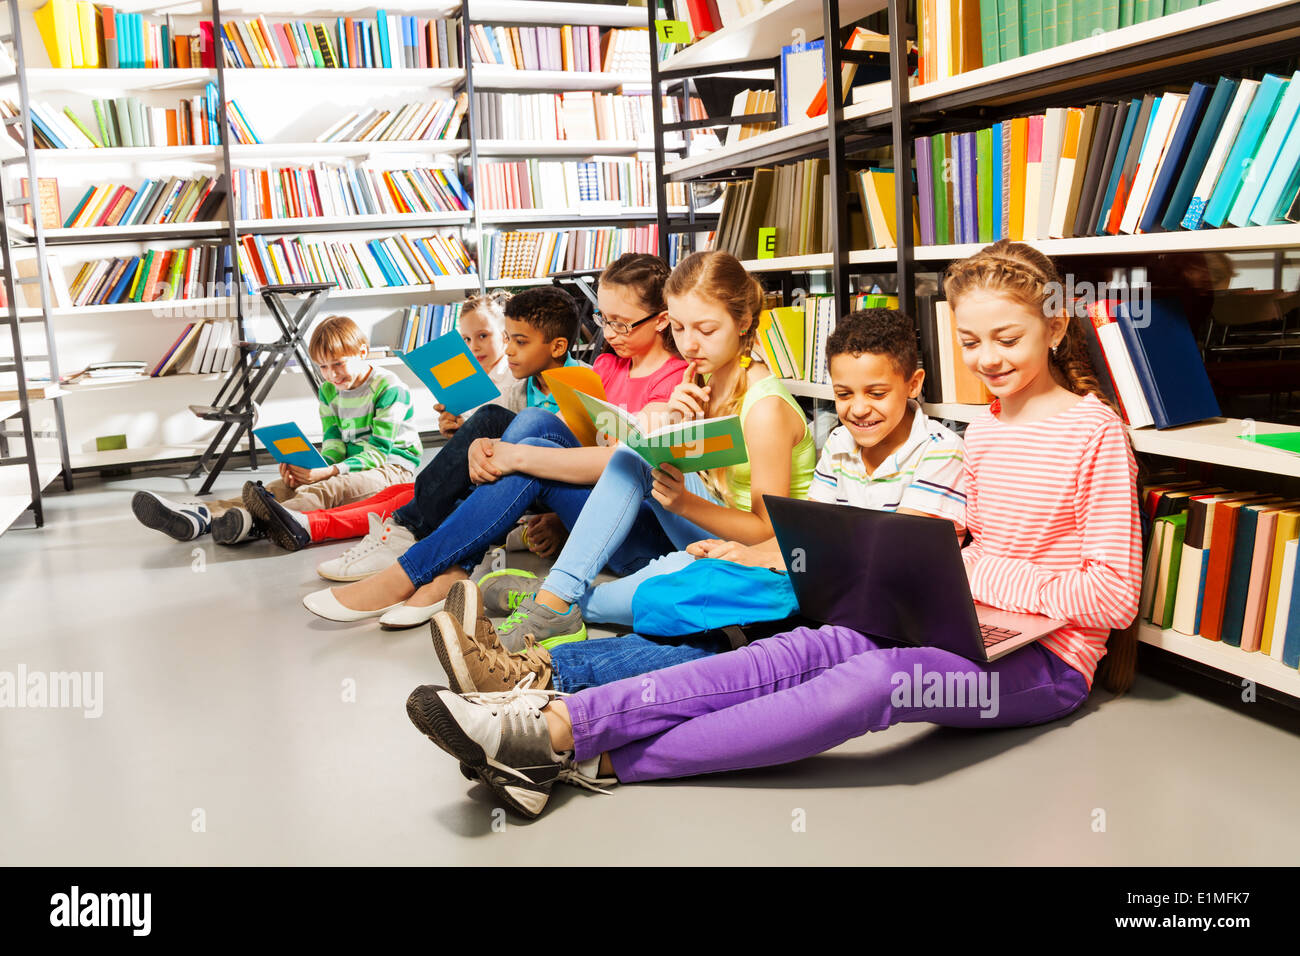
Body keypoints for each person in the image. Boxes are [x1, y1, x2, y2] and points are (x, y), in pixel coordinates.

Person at [405, 239, 1144, 819]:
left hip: (1044, 663)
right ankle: (554, 724)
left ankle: (588, 759)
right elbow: (950, 532)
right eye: (971, 342)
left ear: (1056, 322)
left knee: (878, 680)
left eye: (1006, 339)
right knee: (798, 651)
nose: (987, 361)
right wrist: (920, 557)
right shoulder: (984, 427)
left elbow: (1112, 596)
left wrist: (974, 571)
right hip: (950, 619)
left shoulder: (1094, 433)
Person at [428, 308, 968, 695]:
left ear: (914, 383)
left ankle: (542, 635)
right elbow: (808, 536)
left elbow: (891, 557)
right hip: (807, 585)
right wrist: (744, 553)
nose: (858, 410)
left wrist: (753, 554)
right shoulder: (841, 444)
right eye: (844, 394)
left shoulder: (939, 451)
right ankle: (540, 641)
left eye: (876, 394)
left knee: (685, 611)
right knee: (686, 607)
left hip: (854, 606)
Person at [452, 249, 818, 650]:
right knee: (636, 454)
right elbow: (689, 465)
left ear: (743, 322)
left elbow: (769, 532)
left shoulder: (764, 409)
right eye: (678, 328)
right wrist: (669, 418)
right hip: (706, 533)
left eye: (706, 330)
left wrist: (683, 504)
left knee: (657, 591)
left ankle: (552, 597)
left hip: (759, 555)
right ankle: (557, 597)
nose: (689, 344)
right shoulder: (702, 379)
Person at [300, 253, 690, 626]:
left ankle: (416, 571)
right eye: (603, 319)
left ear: (661, 320)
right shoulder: (607, 365)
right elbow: (560, 427)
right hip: (593, 505)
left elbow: (622, 465)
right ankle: (446, 569)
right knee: (527, 423)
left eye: (622, 324)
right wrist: (489, 446)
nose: (608, 334)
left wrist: (513, 455)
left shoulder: (675, 381)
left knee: (524, 452)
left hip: (637, 533)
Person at [252, 286, 584, 554]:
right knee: (401, 494)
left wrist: (559, 518)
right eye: (467, 339)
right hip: (505, 474)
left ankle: (354, 526)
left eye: (510, 340)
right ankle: (291, 520)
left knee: (411, 493)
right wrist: (460, 435)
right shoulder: (521, 385)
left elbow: (577, 457)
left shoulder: (570, 382)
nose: (508, 350)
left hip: (537, 481)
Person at [130, 315, 419, 546]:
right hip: (348, 466)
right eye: (323, 367)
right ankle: (203, 515)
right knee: (279, 488)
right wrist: (313, 467)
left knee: (326, 488)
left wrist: (327, 473)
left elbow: (379, 453)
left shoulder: (389, 387)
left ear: (363, 352)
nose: (331, 375)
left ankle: (261, 521)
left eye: (339, 364)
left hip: (391, 469)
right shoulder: (330, 391)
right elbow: (333, 441)